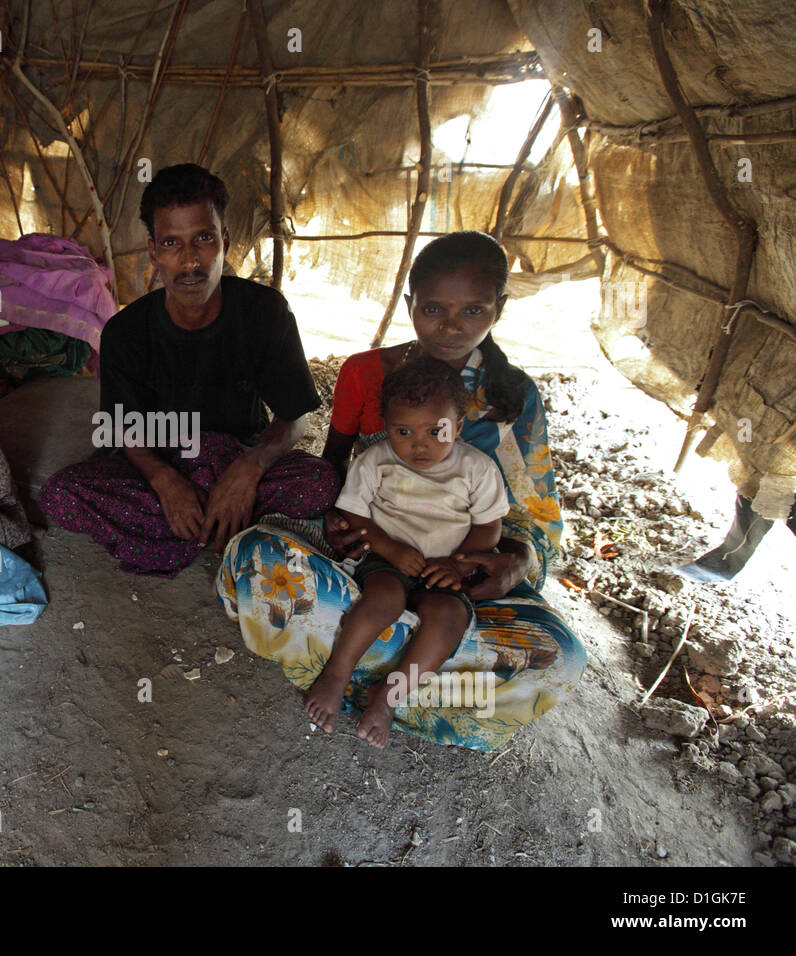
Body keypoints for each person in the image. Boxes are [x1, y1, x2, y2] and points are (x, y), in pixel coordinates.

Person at [217, 230, 587, 751]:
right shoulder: (368, 373)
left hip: (455, 582)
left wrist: (512, 564)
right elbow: (336, 473)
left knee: (560, 656)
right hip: (377, 563)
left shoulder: (512, 397)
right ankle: (402, 675)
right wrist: (344, 525)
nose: (452, 327)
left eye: (474, 311)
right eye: (434, 308)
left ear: (499, 309)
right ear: (411, 304)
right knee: (258, 560)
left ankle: (375, 677)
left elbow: (536, 520)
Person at [39, 164, 340, 577]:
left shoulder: (264, 312)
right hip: (164, 461)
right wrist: (164, 480)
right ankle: (225, 527)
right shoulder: (125, 333)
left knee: (322, 481)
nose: (189, 262)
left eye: (203, 238)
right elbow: (124, 429)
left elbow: (295, 416)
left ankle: (190, 529)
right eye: (171, 243)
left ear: (225, 242)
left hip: (239, 454)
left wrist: (248, 470)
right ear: (153, 252)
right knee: (61, 495)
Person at [305, 356, 509, 745]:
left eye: (436, 430)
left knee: (449, 616)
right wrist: (388, 547)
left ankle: (388, 698)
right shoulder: (375, 462)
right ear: (386, 427)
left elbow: (488, 527)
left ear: (459, 426)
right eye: (403, 431)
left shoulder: (477, 470)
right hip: (386, 562)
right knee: (383, 597)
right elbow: (351, 514)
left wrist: (457, 565)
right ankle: (337, 672)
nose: (419, 444)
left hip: (443, 573)